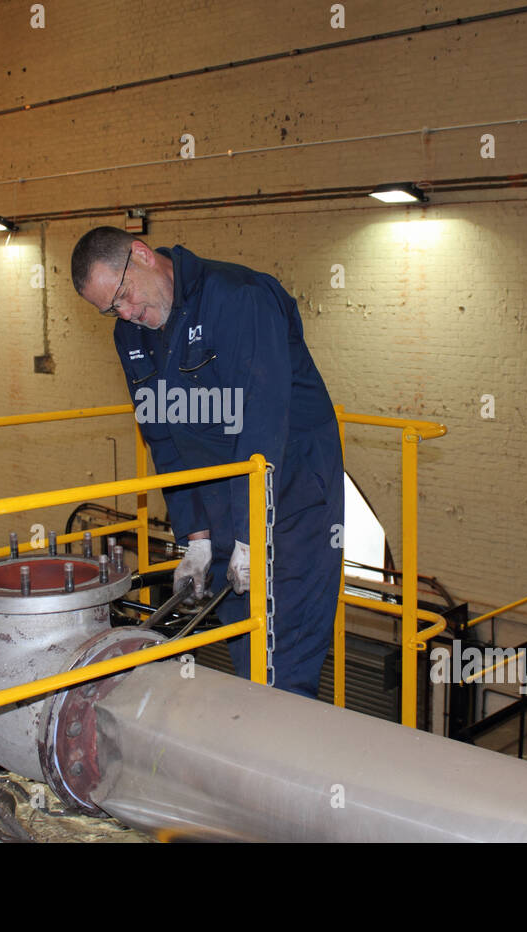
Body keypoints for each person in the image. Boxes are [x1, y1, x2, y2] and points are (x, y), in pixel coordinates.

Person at [71, 227, 344, 698]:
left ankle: (281, 760)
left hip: (290, 496)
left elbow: (261, 423)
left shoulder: (240, 298)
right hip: (224, 507)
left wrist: (249, 537)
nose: (128, 313)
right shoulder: (132, 335)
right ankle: (258, 747)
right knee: (244, 644)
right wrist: (196, 539)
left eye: (124, 295)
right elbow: (162, 435)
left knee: (282, 656)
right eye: (111, 310)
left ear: (142, 255)